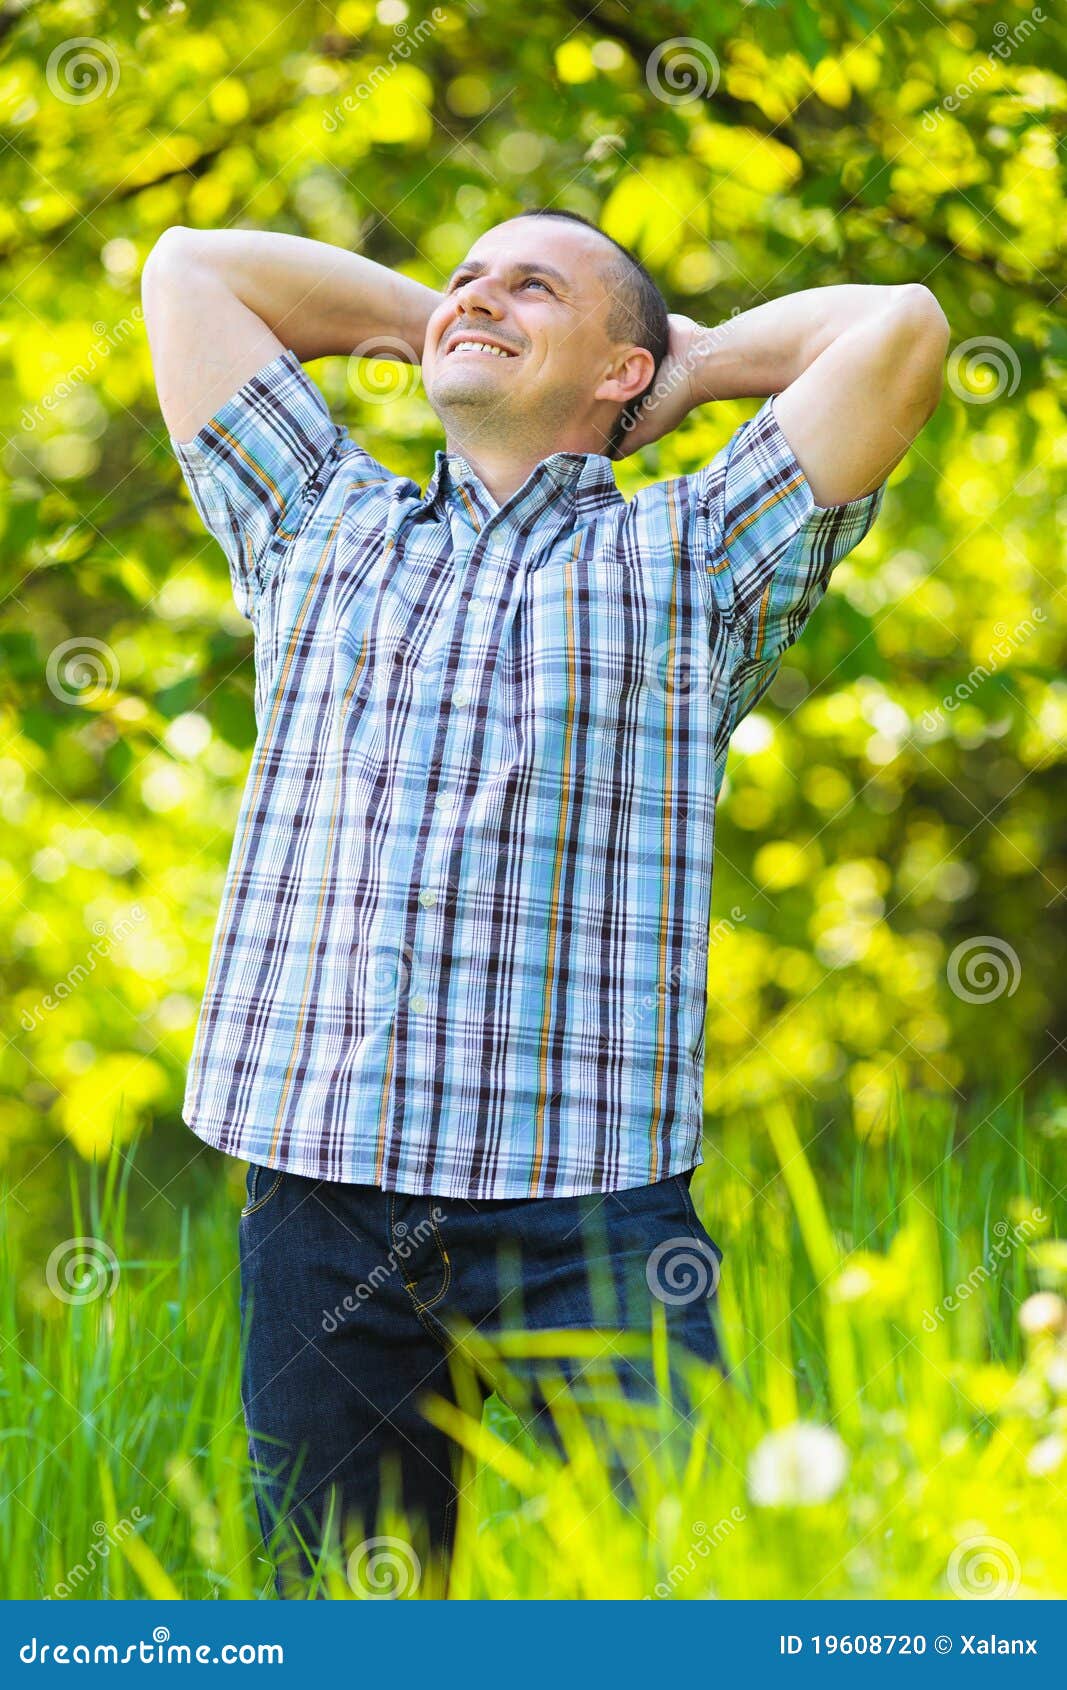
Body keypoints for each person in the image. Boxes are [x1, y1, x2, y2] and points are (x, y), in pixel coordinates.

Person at [142, 207, 948, 1597]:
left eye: (532, 285)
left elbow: (905, 331)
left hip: (594, 1211)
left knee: (679, 1605)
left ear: (621, 374)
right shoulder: (319, 523)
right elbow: (187, 271)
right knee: (344, 1629)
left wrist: (683, 369)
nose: (479, 295)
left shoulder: (694, 556)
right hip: (324, 1193)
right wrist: (441, 323)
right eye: (468, 277)